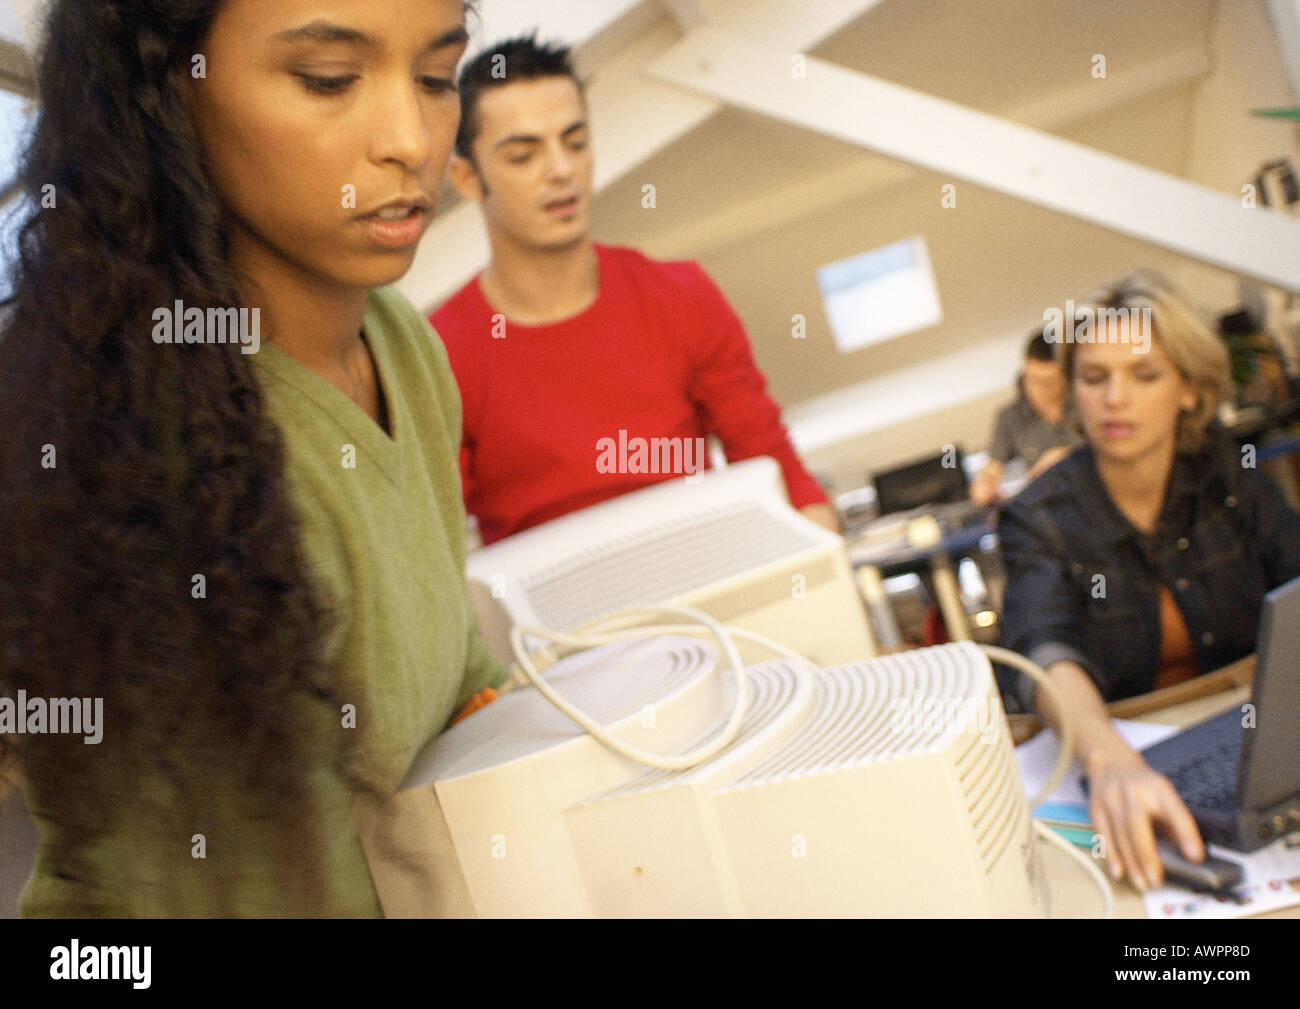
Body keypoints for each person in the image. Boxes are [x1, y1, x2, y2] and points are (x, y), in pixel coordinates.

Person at [0, 0, 503, 916]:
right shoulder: (151, 454)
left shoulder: (402, 344)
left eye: (436, 78)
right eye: (328, 80)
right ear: (168, 94)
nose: (410, 139)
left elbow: (456, 675)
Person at [430, 36, 838, 546]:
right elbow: (431, 538)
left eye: (575, 143)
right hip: (548, 621)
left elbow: (774, 465)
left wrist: (827, 566)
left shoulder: (680, 295)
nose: (562, 170)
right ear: (468, 178)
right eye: (522, 155)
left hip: (706, 589)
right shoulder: (440, 354)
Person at [998, 273, 1300, 891]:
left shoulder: (1226, 470)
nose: (1115, 398)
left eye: (1145, 374)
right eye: (1094, 377)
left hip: (1246, 733)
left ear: (1189, 388)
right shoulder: (1039, 516)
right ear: (1071, 395)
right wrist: (1109, 761)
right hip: (1121, 753)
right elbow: (1039, 646)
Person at [969, 327, 1081, 506]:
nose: (1038, 389)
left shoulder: (1089, 402)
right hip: (1054, 511)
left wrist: (1069, 456)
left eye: (1049, 382)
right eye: (1032, 379)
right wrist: (985, 485)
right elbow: (993, 468)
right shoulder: (1010, 418)